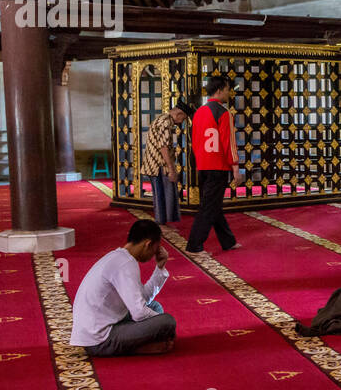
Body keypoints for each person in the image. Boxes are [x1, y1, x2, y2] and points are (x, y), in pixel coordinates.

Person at [70, 219, 176, 357]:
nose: (153, 256)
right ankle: (137, 348)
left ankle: (145, 342)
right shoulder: (125, 263)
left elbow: (142, 299)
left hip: (96, 330)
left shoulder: (120, 257)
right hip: (100, 340)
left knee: (154, 306)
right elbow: (140, 313)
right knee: (168, 321)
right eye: (155, 250)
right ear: (148, 244)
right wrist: (160, 321)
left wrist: (160, 267)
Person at [186, 76, 243, 254]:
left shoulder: (199, 112)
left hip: (202, 165)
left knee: (213, 205)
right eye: (227, 89)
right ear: (219, 90)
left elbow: (194, 142)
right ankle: (194, 244)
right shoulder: (223, 112)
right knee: (208, 207)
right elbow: (229, 143)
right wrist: (236, 168)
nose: (229, 93)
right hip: (217, 166)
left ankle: (228, 241)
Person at [143, 100, 192, 224]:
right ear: (179, 114)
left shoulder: (162, 118)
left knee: (161, 194)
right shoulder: (165, 123)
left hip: (154, 163)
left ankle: (163, 222)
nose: (181, 122)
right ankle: (161, 223)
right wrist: (171, 169)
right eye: (184, 119)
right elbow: (163, 147)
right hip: (159, 165)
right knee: (162, 195)